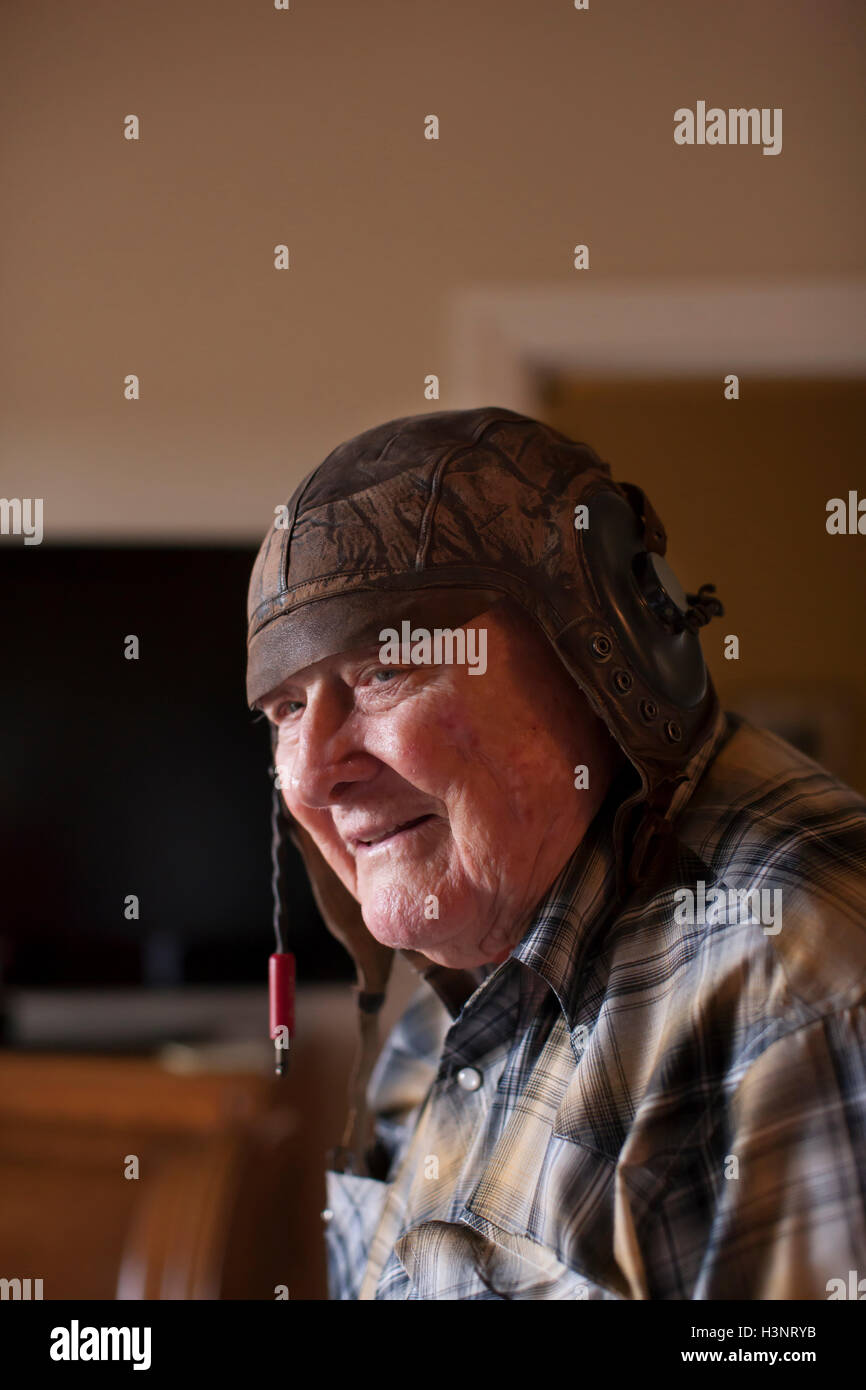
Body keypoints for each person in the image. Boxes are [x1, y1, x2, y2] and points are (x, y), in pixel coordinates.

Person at [245, 405, 866, 1300]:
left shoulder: (799, 996)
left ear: (604, 647)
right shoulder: (459, 956)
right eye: (287, 710)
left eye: (384, 670)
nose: (310, 776)